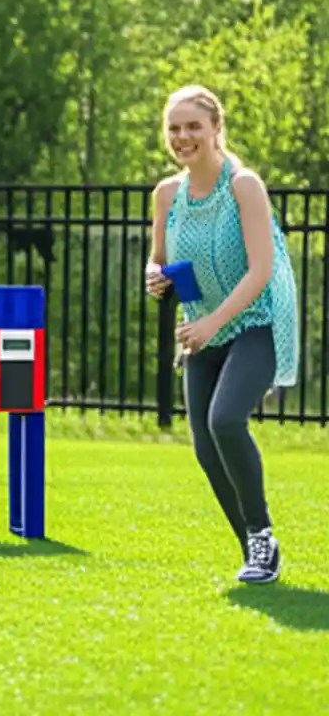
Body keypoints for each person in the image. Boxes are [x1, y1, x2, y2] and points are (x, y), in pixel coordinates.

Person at [145, 84, 298, 584]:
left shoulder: (244, 186)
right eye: (174, 128)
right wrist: (154, 274)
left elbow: (260, 271)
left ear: (216, 129)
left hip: (257, 321)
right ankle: (257, 550)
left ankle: (261, 535)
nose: (183, 136)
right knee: (206, 449)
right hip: (201, 328)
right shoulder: (167, 195)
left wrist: (214, 323)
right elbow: (161, 260)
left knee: (226, 419)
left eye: (194, 126)